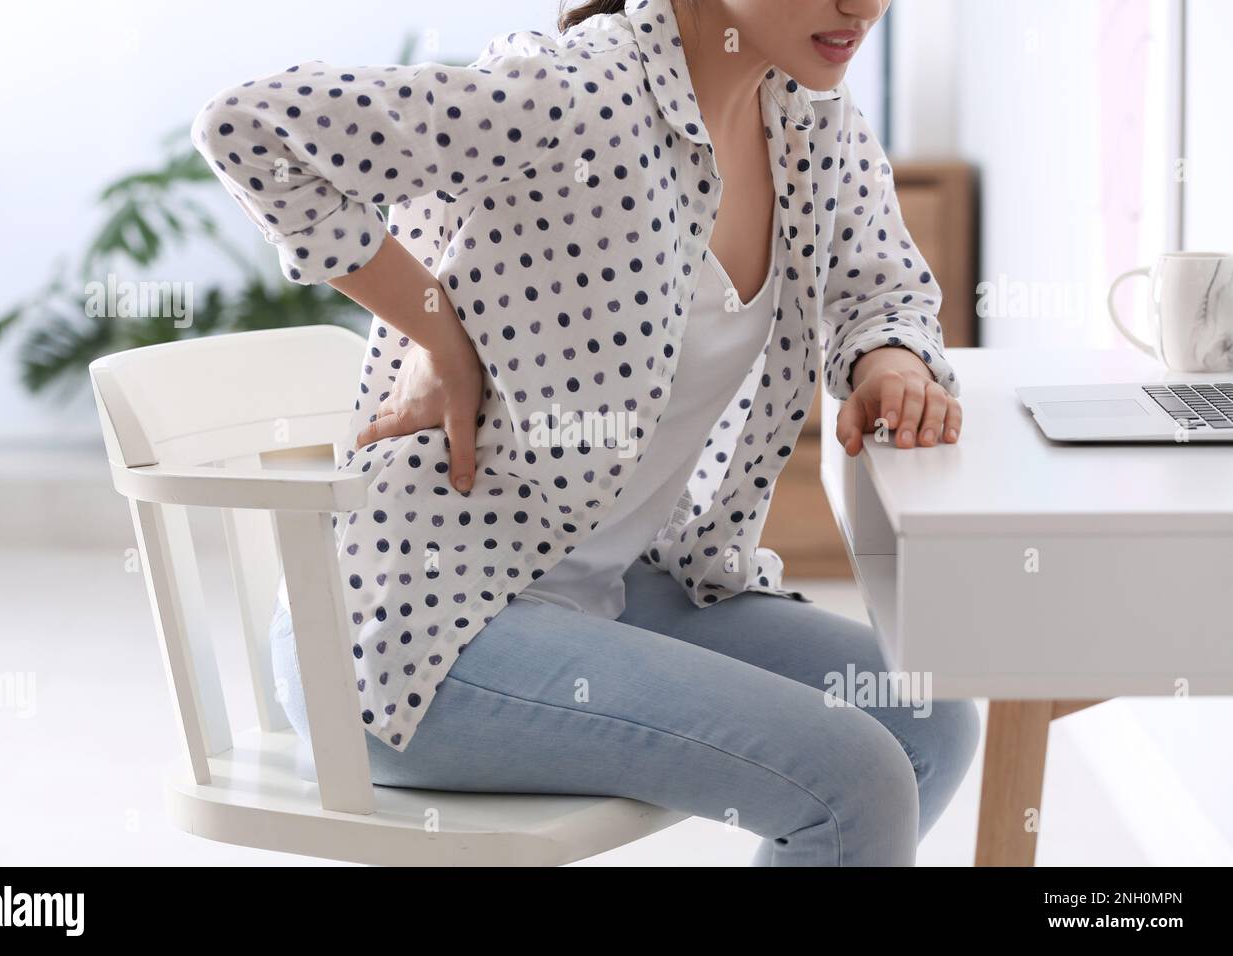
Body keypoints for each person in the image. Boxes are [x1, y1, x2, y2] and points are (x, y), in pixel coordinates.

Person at [193, 0, 977, 865]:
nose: (862, 5)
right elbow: (248, 127)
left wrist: (891, 362)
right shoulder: (573, 92)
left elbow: (883, 289)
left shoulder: (811, 118)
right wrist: (434, 324)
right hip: (419, 637)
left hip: (608, 590)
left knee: (929, 711)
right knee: (852, 774)